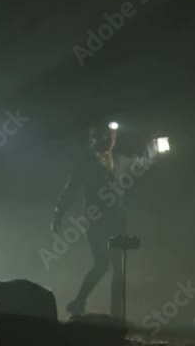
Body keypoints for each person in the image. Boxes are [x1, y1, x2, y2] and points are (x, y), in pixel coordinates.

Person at [52, 120, 158, 318]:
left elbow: (142, 162)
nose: (110, 140)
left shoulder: (120, 161)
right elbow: (70, 190)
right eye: (105, 137)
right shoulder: (85, 164)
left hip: (117, 222)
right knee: (102, 264)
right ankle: (81, 302)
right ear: (93, 139)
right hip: (96, 222)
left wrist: (154, 148)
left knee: (118, 268)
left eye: (112, 137)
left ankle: (115, 314)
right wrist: (58, 213)